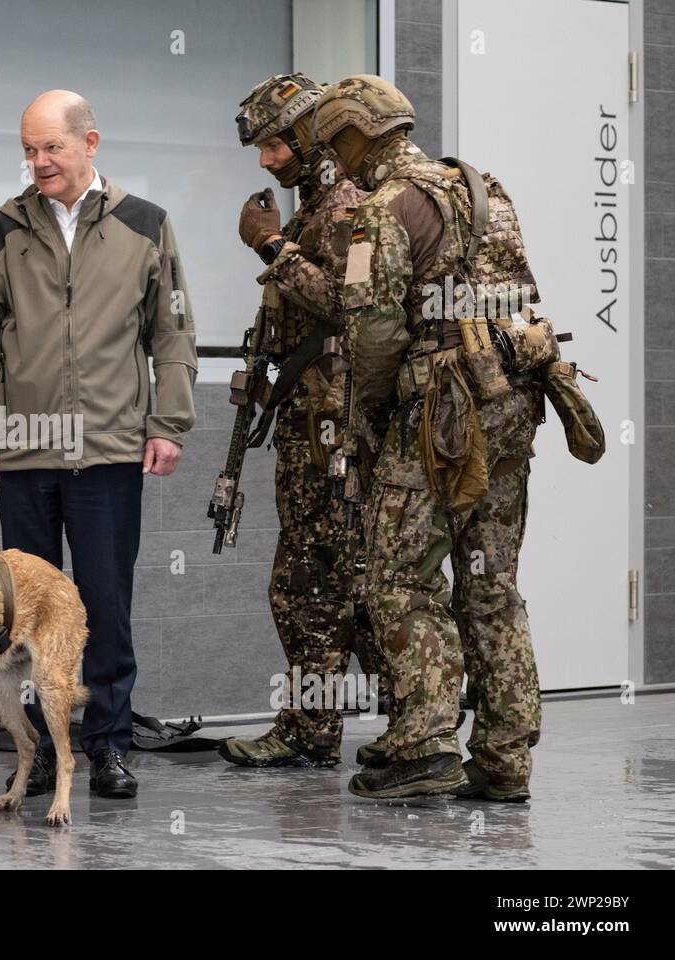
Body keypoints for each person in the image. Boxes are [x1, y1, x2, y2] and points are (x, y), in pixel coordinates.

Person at [0, 90, 197, 799]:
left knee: (104, 605)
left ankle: (109, 748)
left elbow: (172, 331)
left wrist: (168, 423)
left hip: (111, 450)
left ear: (90, 142)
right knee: (23, 615)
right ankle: (33, 753)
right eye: (29, 151)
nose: (38, 163)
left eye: (51, 148)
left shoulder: (146, 226)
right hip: (24, 449)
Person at [310, 75, 543, 801]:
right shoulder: (482, 187)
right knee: (490, 582)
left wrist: (366, 415)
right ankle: (505, 759)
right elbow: (519, 294)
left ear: (356, 134)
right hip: (510, 401)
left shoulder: (380, 212)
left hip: (439, 417)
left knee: (399, 575)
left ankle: (424, 744)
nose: (334, 161)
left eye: (335, 144)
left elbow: (373, 330)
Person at [216, 74, 394, 770]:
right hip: (307, 426)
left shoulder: (347, 207)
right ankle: (314, 728)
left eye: (272, 146)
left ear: (310, 138)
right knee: (310, 585)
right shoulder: (312, 207)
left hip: (339, 433)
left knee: (334, 584)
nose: (264, 161)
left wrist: (271, 249)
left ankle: (411, 724)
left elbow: (352, 305)